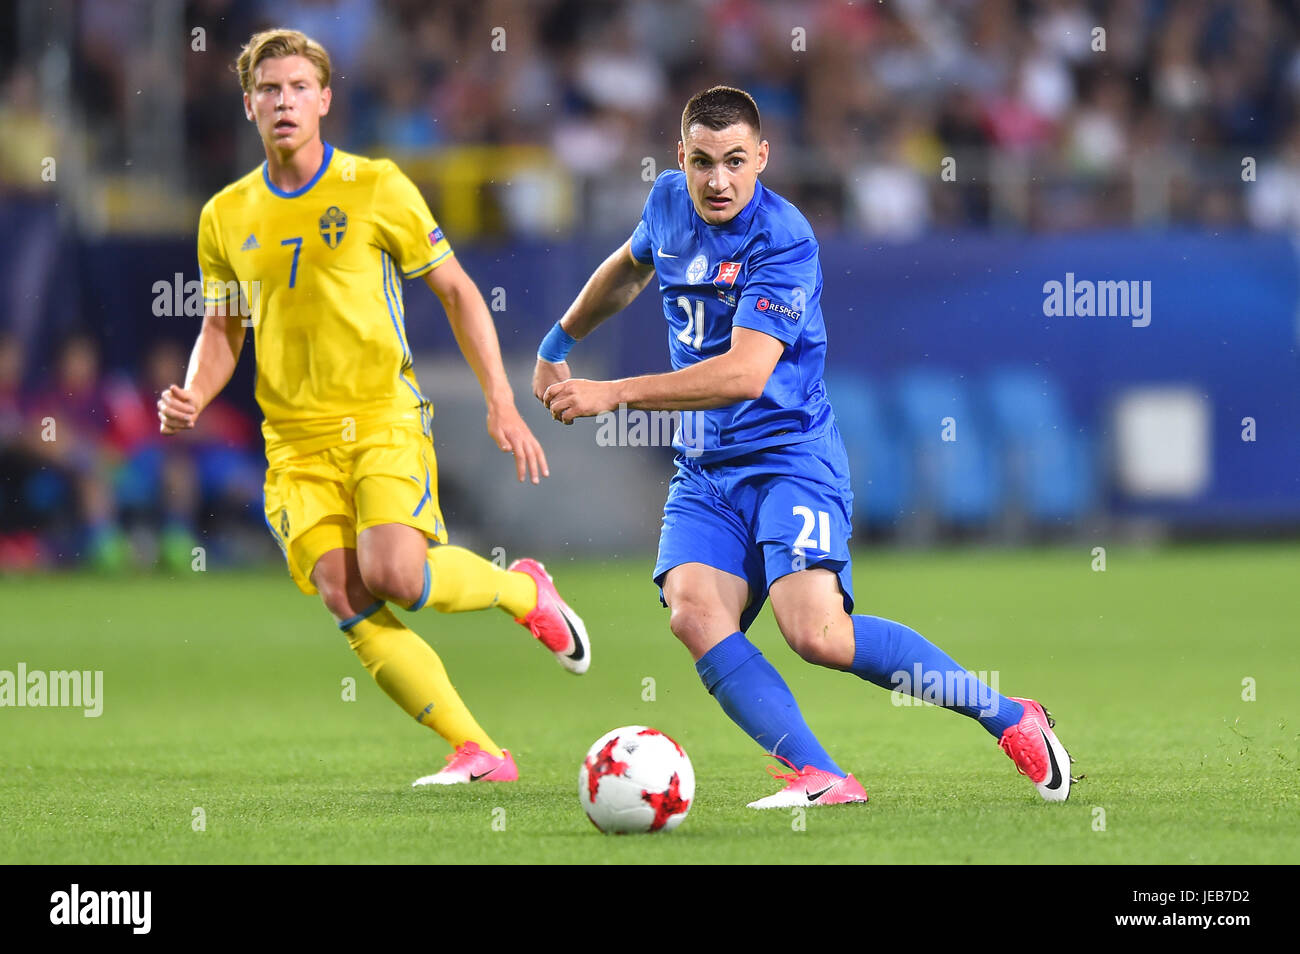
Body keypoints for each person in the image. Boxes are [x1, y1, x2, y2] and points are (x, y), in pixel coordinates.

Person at [535, 86, 1075, 807]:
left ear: (762, 157)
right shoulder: (666, 202)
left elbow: (746, 374)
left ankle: (1010, 716)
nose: (717, 180)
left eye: (733, 161)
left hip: (789, 459)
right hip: (705, 470)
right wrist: (557, 340)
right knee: (693, 613)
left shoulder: (783, 240)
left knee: (818, 634)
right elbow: (630, 268)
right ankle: (823, 774)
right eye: (701, 162)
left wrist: (615, 390)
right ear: (680, 159)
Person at [159, 28, 589, 788]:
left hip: (382, 415)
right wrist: (196, 389)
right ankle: (478, 751)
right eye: (268, 89)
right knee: (342, 588)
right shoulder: (224, 215)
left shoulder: (376, 186)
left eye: (298, 87)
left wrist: (500, 399)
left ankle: (525, 591)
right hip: (293, 440)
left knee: (395, 573)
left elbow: (458, 290)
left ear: (325, 100)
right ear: (250, 104)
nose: (283, 101)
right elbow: (223, 328)